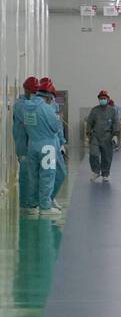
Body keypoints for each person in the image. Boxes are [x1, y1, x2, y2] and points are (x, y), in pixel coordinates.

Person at [25, 80, 65, 218]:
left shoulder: (26, 106)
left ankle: (32, 205)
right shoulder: (47, 109)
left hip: (32, 145)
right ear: (48, 97)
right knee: (47, 176)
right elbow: (55, 127)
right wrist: (58, 119)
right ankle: (45, 207)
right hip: (47, 146)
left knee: (33, 176)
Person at [36, 78, 68, 207]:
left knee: (59, 173)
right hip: (44, 143)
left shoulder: (53, 105)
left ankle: (49, 198)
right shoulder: (35, 106)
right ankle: (43, 202)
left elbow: (58, 126)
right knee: (45, 175)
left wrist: (61, 142)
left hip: (53, 143)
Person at [12, 76, 39, 214]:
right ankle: (25, 204)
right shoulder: (21, 105)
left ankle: (32, 202)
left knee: (33, 175)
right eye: (33, 91)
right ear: (26, 90)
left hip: (32, 146)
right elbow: (30, 123)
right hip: (24, 147)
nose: (35, 94)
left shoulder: (31, 104)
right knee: (25, 175)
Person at [84, 90, 119, 182]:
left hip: (107, 136)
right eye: (101, 98)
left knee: (107, 156)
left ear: (108, 99)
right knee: (93, 154)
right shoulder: (94, 110)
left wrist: (115, 135)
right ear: (98, 99)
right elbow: (89, 122)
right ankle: (96, 171)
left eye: (104, 98)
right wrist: (88, 134)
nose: (102, 100)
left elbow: (115, 123)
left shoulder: (112, 111)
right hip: (95, 136)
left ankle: (105, 173)